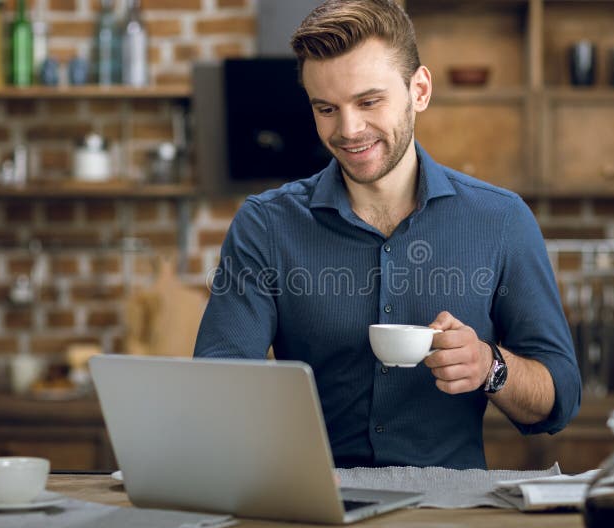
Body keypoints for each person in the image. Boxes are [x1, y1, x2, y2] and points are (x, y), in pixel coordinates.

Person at [194, 0, 580, 470]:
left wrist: (489, 365)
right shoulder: (266, 225)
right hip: (314, 501)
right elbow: (220, 389)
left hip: (448, 511)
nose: (349, 129)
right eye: (326, 108)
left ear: (419, 90)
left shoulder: (501, 220)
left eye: (368, 101)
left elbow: (558, 397)